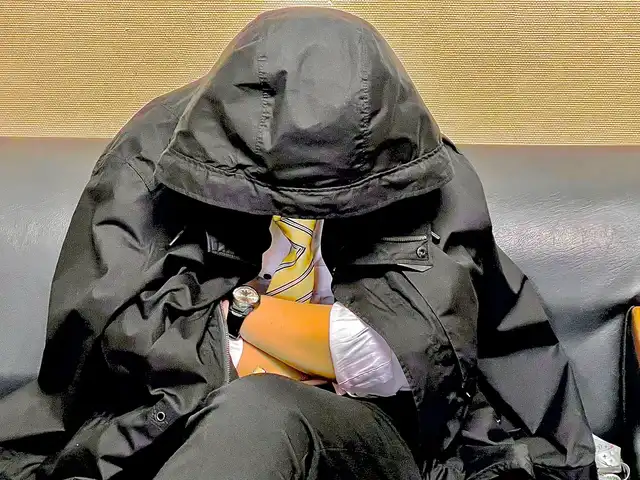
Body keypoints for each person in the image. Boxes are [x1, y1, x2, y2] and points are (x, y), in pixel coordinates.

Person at [0, 7, 597, 480]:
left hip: (366, 436)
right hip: (163, 422)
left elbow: (394, 360)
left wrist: (240, 317)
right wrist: (275, 348)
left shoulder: (420, 166)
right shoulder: (155, 153)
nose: (299, 212)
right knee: (252, 412)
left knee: (260, 412)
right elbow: (112, 328)